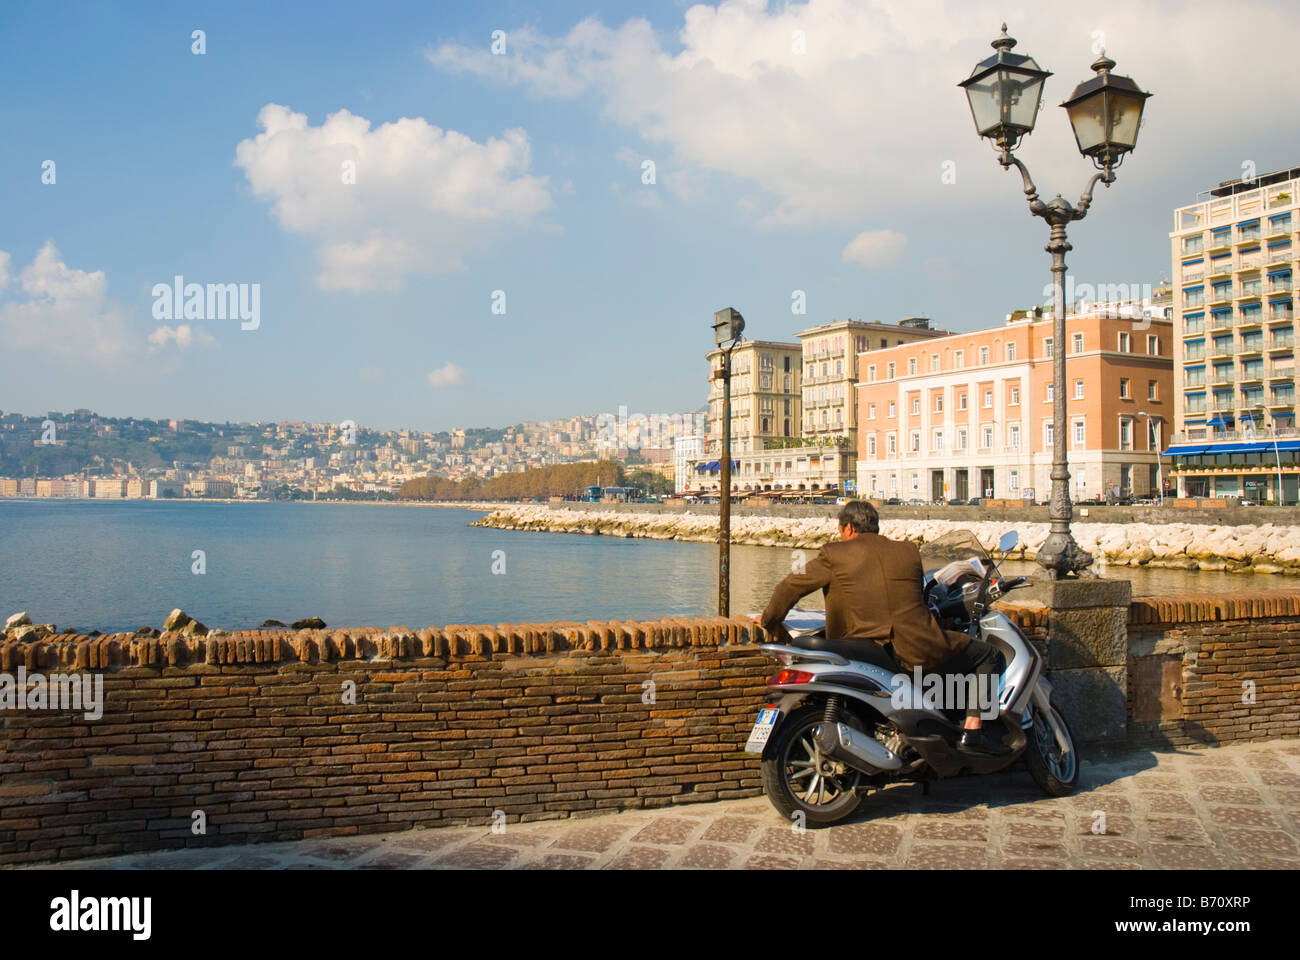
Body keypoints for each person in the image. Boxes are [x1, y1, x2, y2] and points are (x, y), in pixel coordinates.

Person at [757, 500, 1009, 756]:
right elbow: (914, 597)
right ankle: (973, 729)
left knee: (987, 655)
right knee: (988, 655)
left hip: (865, 646)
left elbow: (789, 586)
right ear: (875, 527)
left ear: (847, 529)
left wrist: (771, 622)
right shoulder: (908, 551)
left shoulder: (833, 554)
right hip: (915, 646)